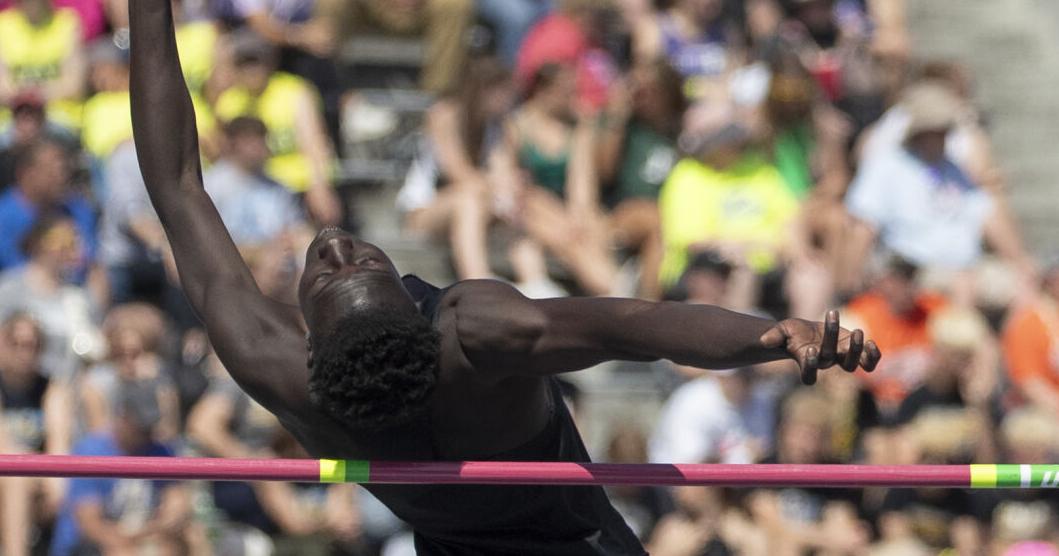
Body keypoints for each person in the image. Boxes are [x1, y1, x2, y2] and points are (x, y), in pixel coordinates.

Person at [129, 0, 881, 551]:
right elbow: (632, 327)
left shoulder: (285, 373)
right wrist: (767, 335)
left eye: (345, 262)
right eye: (348, 268)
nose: (334, 247)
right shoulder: (474, 334)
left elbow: (176, 186)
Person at [213, 30, 341, 226]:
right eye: (243, 63)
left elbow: (314, 142)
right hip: (250, 190)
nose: (251, 70)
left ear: (269, 62)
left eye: (256, 62)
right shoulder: (229, 101)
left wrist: (320, 186)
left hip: (298, 186)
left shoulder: (294, 91)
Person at [49, 382, 193, 556]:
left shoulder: (161, 450)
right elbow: (90, 525)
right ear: (122, 417)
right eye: (141, 426)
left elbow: (177, 504)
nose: (147, 433)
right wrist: (136, 540)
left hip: (145, 536)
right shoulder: (90, 452)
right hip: (92, 545)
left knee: (184, 540)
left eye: (149, 427)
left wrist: (160, 526)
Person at [0, 313, 72, 556]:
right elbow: (3, 446)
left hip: (37, 477)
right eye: (16, 344)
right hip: (11, 471)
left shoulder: (51, 388)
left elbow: (58, 445)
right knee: (16, 479)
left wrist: (56, 483)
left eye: (32, 345)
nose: (24, 352)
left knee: (59, 488)